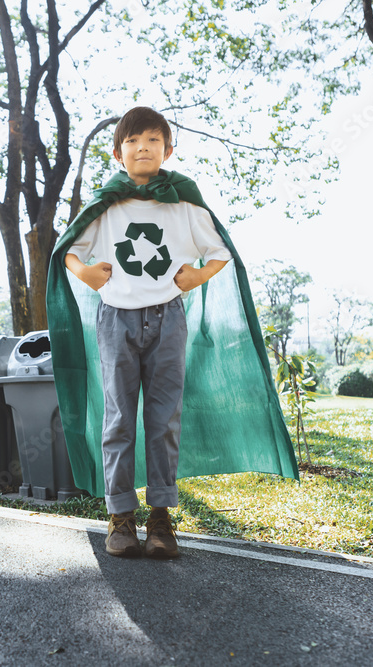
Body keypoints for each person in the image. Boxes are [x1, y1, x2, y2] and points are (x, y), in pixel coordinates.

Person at [46, 107, 299, 560]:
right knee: (119, 418)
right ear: (118, 152)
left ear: (169, 149)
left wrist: (194, 278)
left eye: (152, 141)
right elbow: (68, 250)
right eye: (132, 141)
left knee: (164, 420)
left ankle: (161, 516)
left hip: (166, 318)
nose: (142, 148)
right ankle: (121, 516)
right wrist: (85, 271)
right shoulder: (107, 204)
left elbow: (220, 251)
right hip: (117, 318)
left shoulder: (183, 202)